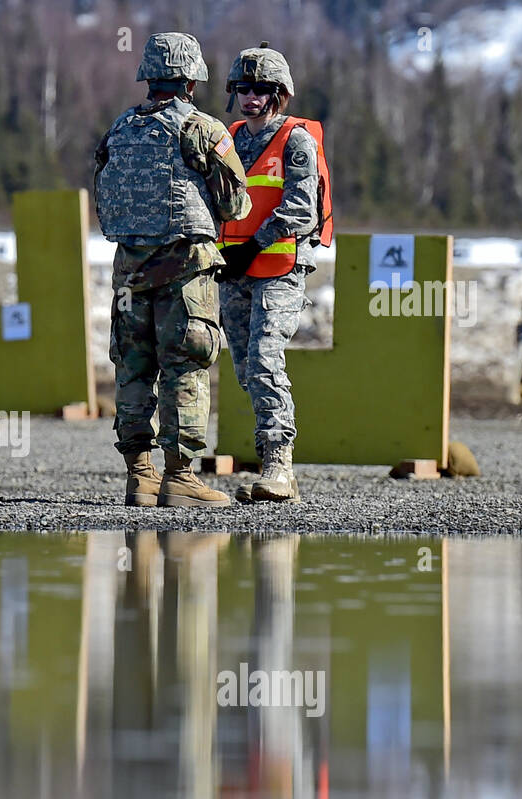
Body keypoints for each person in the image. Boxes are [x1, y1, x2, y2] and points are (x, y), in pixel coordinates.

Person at [94, 32, 251, 507]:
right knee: (185, 364)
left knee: (133, 366)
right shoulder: (203, 129)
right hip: (186, 269)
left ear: (148, 75)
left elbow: (105, 190)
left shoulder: (119, 129)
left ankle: (139, 476)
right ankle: (180, 477)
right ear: (191, 79)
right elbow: (235, 203)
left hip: (129, 270)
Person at [217, 44, 332, 502]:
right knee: (246, 369)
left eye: (261, 90)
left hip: (279, 268)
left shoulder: (295, 140)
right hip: (234, 271)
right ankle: (277, 466)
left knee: (266, 359)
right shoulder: (228, 139)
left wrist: (254, 247)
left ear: (278, 94)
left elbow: (301, 209)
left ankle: (278, 466)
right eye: (243, 88)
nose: (251, 97)